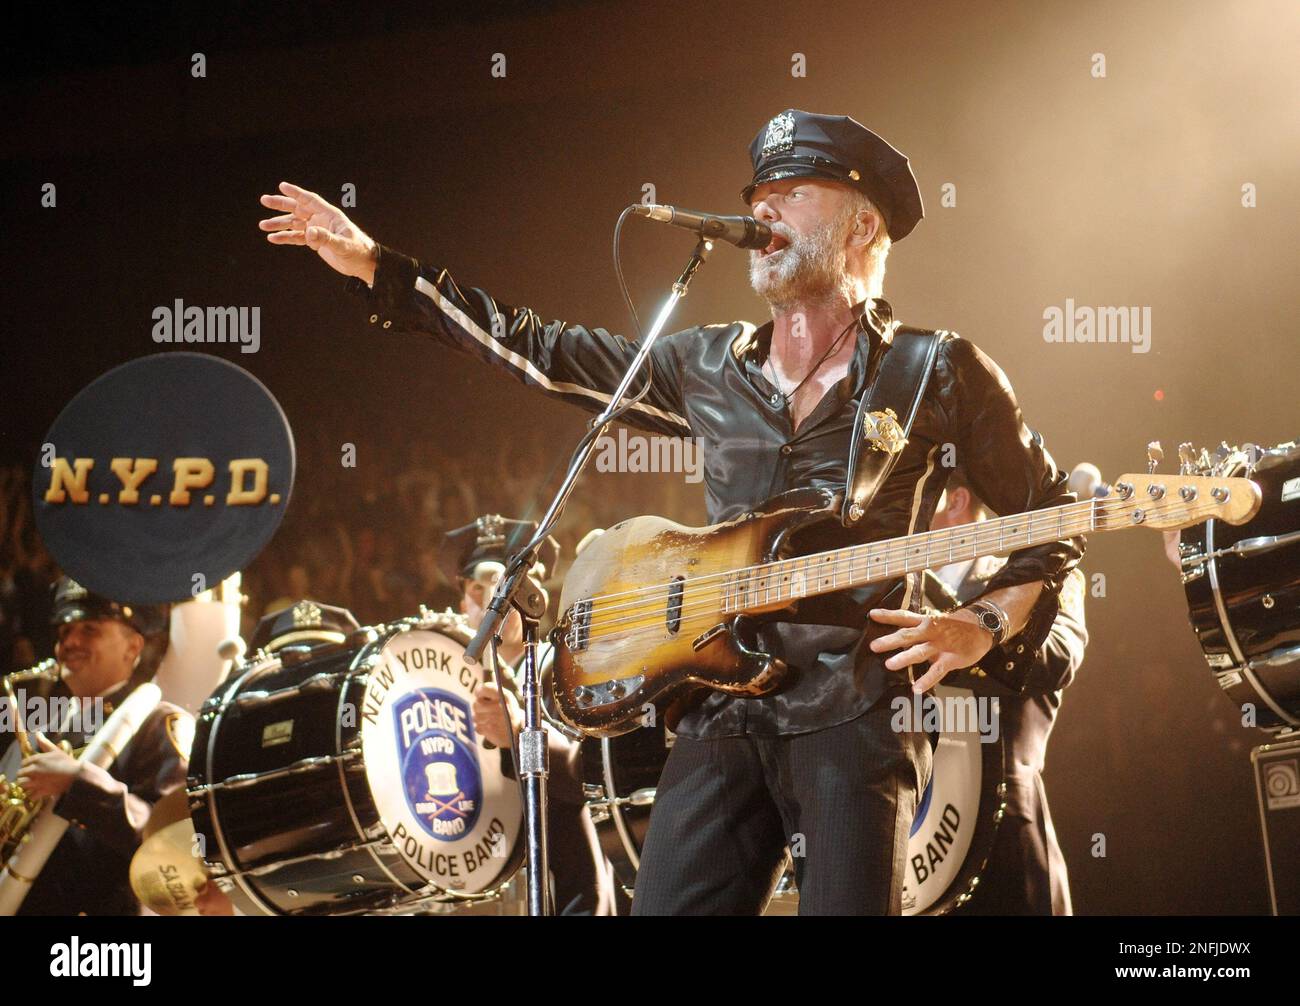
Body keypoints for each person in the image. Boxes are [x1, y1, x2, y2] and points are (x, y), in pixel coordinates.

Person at [259, 107, 1084, 915]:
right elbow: (541, 352)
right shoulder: (707, 365)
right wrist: (378, 266)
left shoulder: (936, 370)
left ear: (863, 226)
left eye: (794, 194)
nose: (763, 209)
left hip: (854, 712)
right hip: (719, 700)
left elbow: (1052, 516)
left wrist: (985, 620)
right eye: (759, 194)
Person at [926, 468, 1087, 914]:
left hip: (1006, 823)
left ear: (956, 501)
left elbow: (1060, 658)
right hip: (910, 832)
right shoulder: (893, 592)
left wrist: (959, 623)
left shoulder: (1041, 575)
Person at [445, 516, 612, 915]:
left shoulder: (572, 665)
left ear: (536, 594)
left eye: (506, 584)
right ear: (461, 603)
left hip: (570, 893)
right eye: (477, 588)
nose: (491, 599)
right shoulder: (444, 688)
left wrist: (522, 731)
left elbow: (590, 772)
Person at [1, 578, 191, 915]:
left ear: (132, 647)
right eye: (63, 633)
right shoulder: (38, 727)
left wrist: (79, 784)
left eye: (89, 629)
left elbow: (172, 840)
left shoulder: (157, 723)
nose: (69, 642)